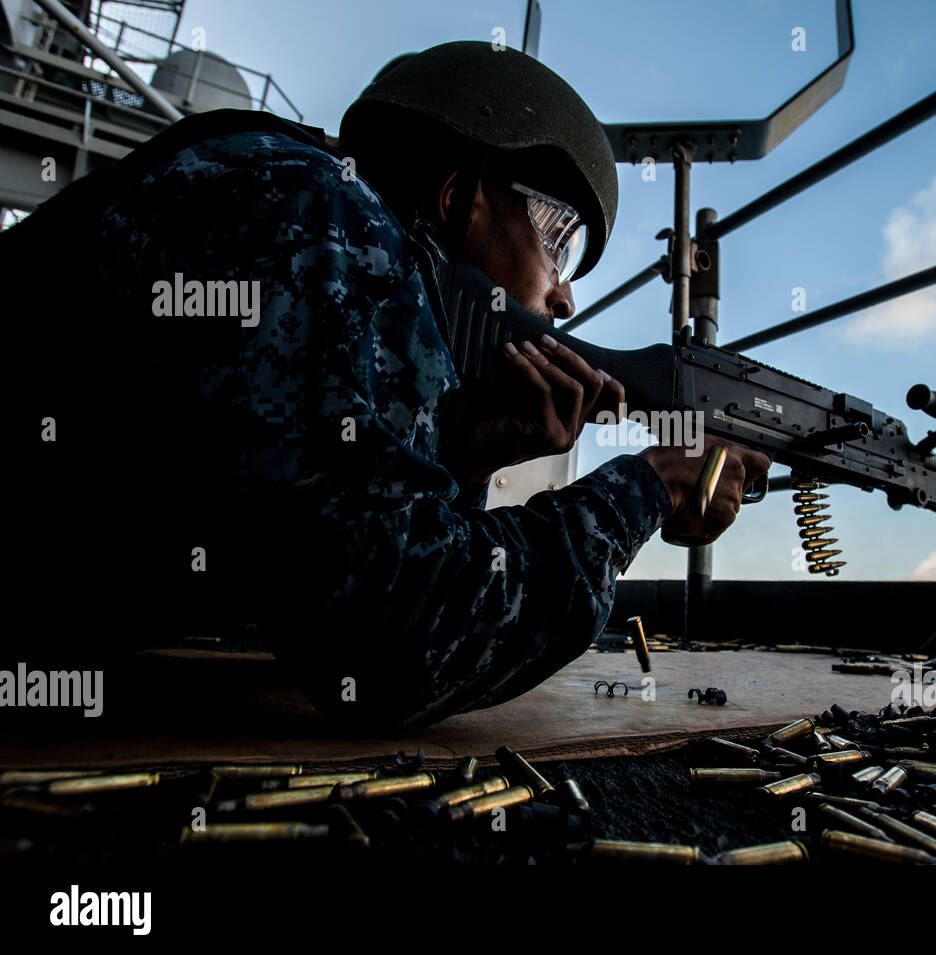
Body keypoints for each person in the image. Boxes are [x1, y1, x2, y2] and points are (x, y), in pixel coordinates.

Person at [3, 41, 768, 731]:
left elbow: (284, 546)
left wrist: (458, 452)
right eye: (558, 238)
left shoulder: (286, 192)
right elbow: (387, 640)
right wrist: (643, 491)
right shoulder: (321, 211)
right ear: (459, 197)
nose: (566, 298)